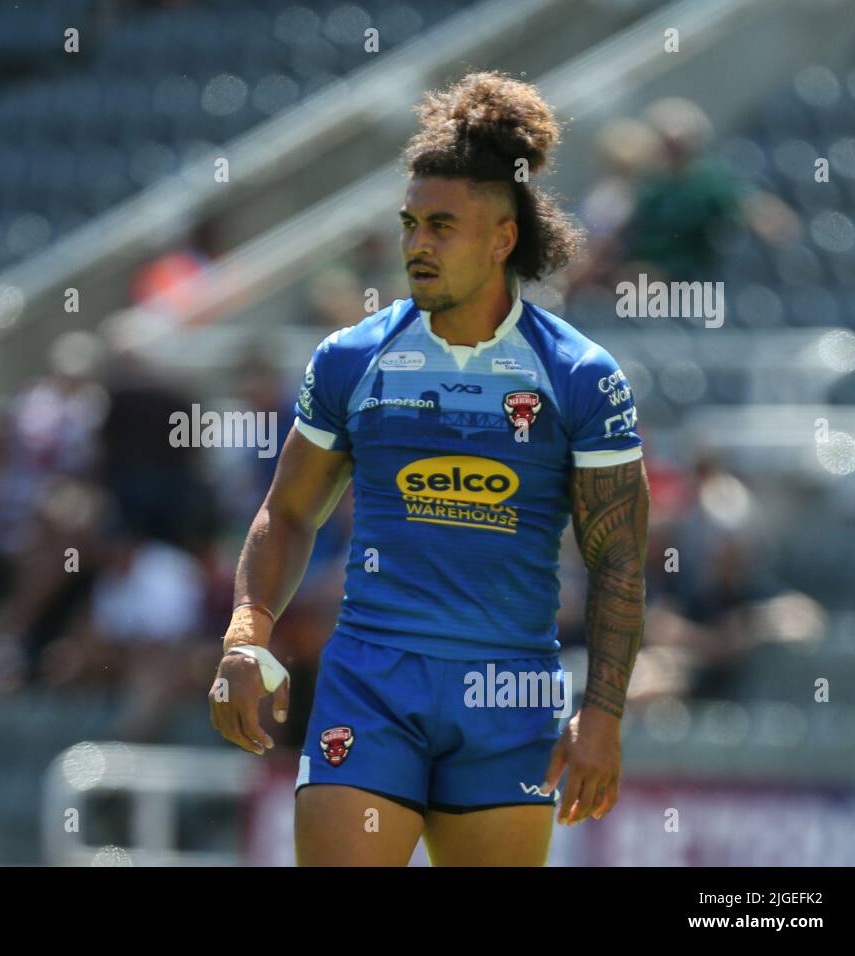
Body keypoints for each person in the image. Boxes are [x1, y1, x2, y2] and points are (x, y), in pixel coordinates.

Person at [208, 72, 650, 866]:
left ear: (502, 238)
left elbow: (616, 556)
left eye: (441, 226)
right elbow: (289, 512)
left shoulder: (580, 376)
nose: (416, 244)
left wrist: (604, 714)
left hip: (508, 697)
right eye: (410, 224)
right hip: (370, 686)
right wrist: (248, 636)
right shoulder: (351, 358)